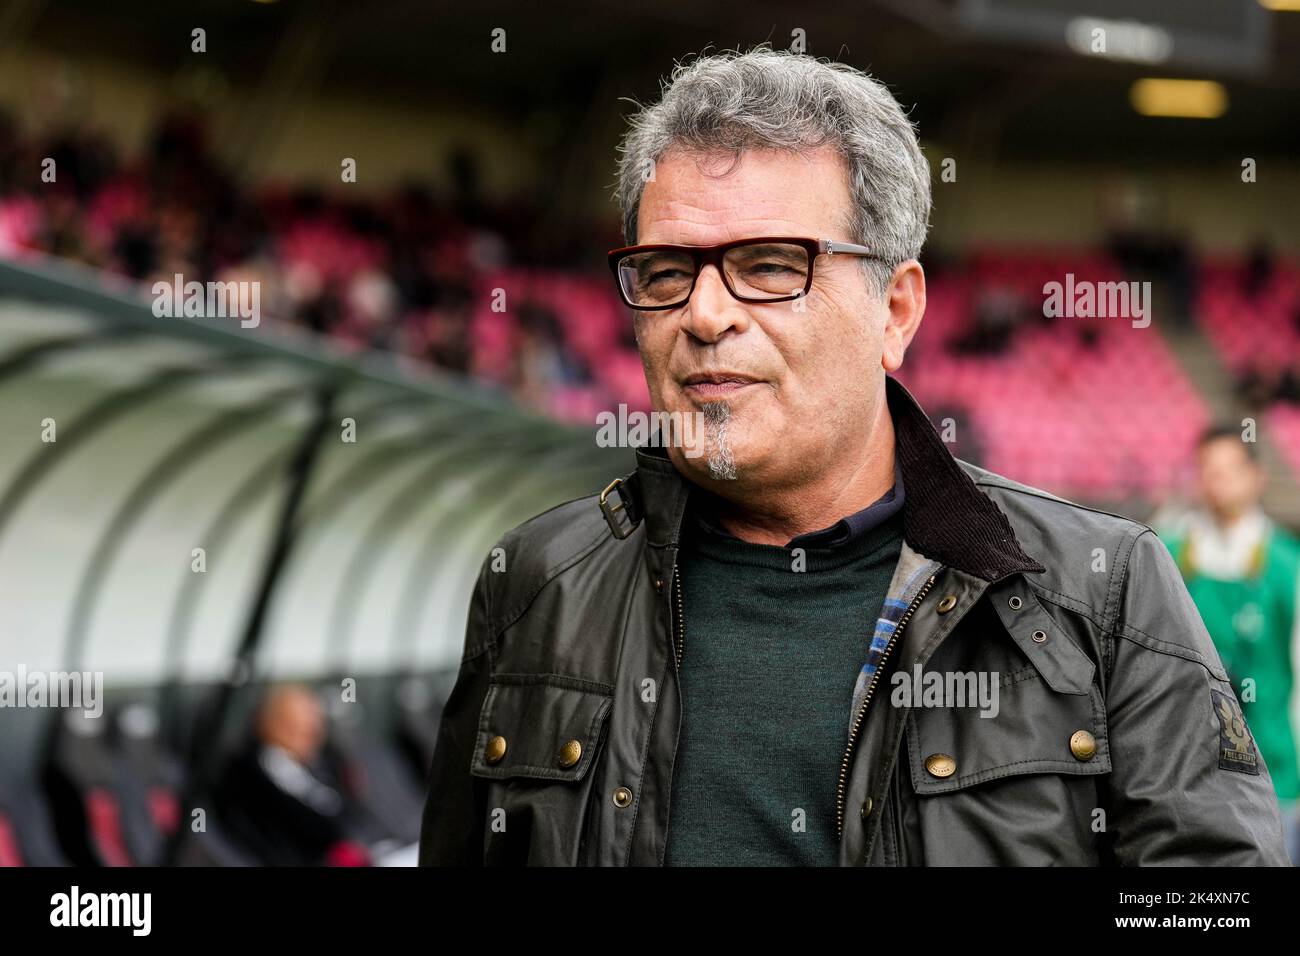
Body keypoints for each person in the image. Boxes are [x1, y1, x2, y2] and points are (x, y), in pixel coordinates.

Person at [419, 46, 1289, 866]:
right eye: (665, 271)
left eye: (768, 266)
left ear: (897, 311)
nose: (705, 314)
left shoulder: (1104, 593)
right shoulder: (534, 586)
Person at [1160, 425, 1300, 864]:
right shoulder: (1166, 553)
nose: (1216, 481)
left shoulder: (1285, 565)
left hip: (1276, 774)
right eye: (1207, 470)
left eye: (1229, 470)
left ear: (1256, 477)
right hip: (1187, 776)